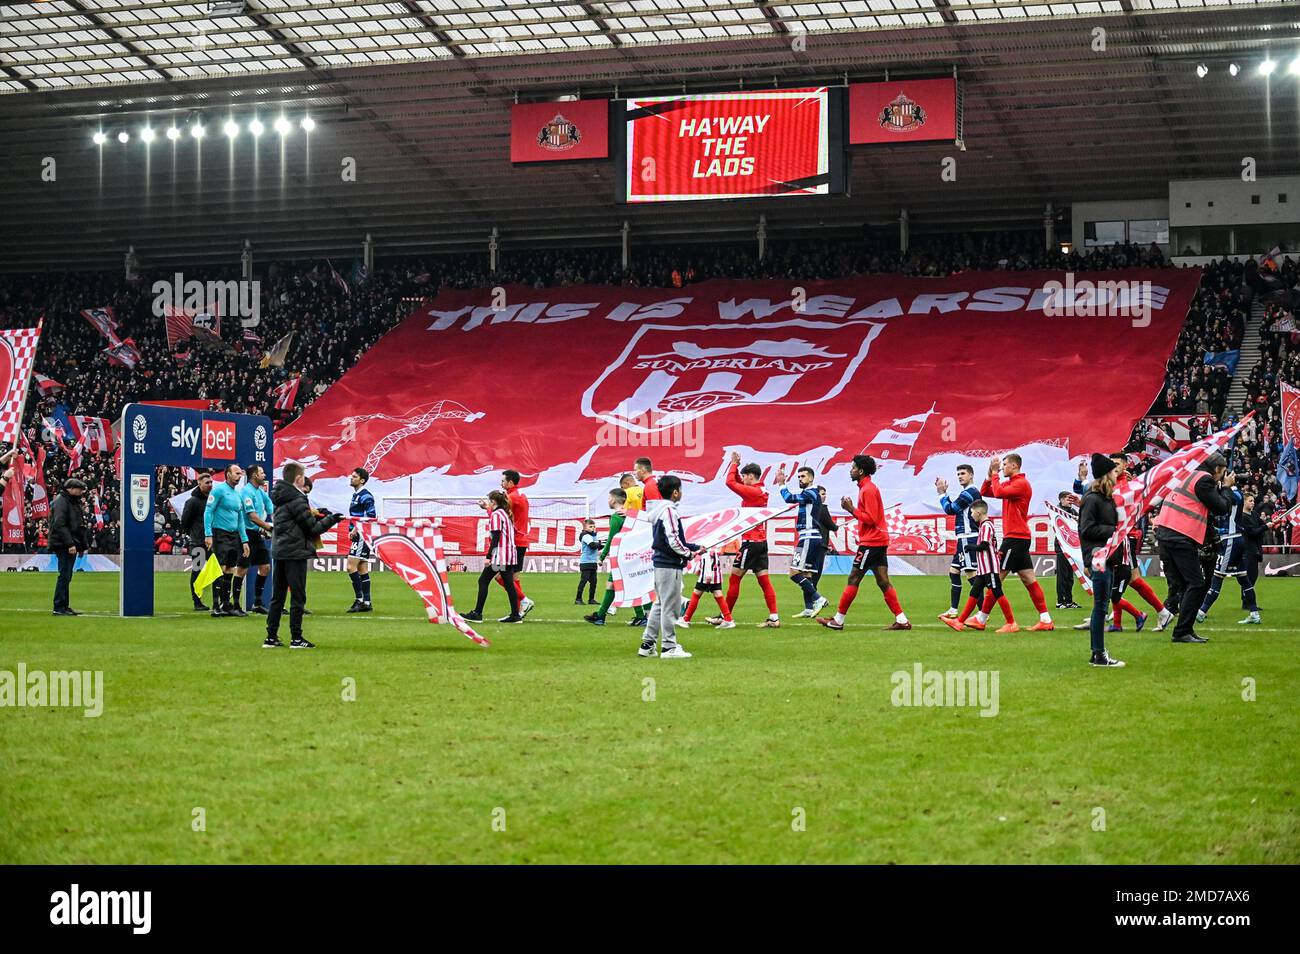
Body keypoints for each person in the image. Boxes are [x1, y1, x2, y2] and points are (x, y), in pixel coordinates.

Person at [817, 455, 911, 631]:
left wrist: (852, 509)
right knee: (883, 581)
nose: (850, 470)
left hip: (872, 542)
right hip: (878, 540)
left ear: (860, 471)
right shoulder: (866, 488)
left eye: (853, 467)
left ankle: (838, 620)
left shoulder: (868, 489)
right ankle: (902, 620)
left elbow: (872, 519)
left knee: (854, 577)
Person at [1153, 451, 1234, 644]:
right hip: (1180, 536)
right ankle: (1182, 631)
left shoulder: (1185, 474)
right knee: (1197, 584)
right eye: (1222, 472)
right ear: (1216, 469)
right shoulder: (1204, 479)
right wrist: (1227, 488)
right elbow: (1222, 508)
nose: (1222, 476)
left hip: (1165, 534)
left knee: (1182, 584)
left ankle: (1181, 626)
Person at [263, 461, 342, 649]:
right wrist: (332, 519)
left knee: (278, 596)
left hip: (280, 550)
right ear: (298, 478)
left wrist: (317, 514)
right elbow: (312, 528)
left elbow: (295, 521)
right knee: (298, 597)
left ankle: (271, 637)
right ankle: (296, 638)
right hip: (295, 552)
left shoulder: (280, 496)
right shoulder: (297, 499)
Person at [981, 453, 1054, 631]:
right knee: (1029, 579)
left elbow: (997, 491)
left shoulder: (1020, 484)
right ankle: (1045, 619)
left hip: (1014, 538)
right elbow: (986, 491)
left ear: (1014, 466)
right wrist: (990, 473)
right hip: (1018, 537)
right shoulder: (1014, 483)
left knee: (996, 578)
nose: (1002, 467)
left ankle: (983, 618)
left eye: (1004, 464)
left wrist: (995, 473)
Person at [641, 475, 700, 658]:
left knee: (660, 605)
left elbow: (672, 540)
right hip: (669, 564)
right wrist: (689, 553)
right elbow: (673, 541)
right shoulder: (669, 512)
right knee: (670, 607)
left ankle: (647, 644)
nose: (681, 493)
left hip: (661, 563)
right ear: (675, 492)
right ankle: (669, 647)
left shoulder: (660, 510)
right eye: (680, 490)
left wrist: (696, 548)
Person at [720, 452, 780, 627]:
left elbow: (730, 483)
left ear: (751, 476)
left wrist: (733, 464)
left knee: (734, 579)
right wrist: (737, 467)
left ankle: (726, 617)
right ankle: (774, 617)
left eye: (745, 476)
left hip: (751, 542)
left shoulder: (753, 492)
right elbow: (738, 483)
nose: (743, 478)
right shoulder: (759, 490)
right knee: (763, 580)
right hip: (760, 542)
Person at [1078, 454, 1126, 667]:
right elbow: (1085, 529)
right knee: (1100, 606)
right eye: (1114, 471)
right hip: (1098, 557)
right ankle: (1098, 654)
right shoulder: (1092, 499)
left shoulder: (1107, 499)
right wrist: (1113, 530)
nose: (1118, 474)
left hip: (1107, 557)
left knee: (1102, 605)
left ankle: (1098, 653)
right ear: (1107, 475)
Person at [940, 499, 1017, 632]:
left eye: (971, 513)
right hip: (983, 568)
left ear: (979, 512)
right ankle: (959, 622)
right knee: (974, 592)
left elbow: (984, 545)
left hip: (990, 567)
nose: (971, 516)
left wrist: (971, 547)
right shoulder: (984, 525)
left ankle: (1011, 623)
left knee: (998, 592)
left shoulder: (986, 525)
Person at [1196, 476, 1261, 625]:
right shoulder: (1236, 493)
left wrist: (1222, 487)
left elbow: (1221, 503)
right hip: (1236, 537)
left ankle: (1201, 612)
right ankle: (1254, 613)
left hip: (1230, 539)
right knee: (1243, 578)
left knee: (1217, 577)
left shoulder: (1232, 495)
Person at [773, 463, 829, 618]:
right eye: (798, 476)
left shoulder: (811, 492)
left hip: (808, 537)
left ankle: (819, 599)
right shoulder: (809, 494)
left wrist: (781, 484)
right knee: (807, 574)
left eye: (803, 476)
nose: (800, 479)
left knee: (793, 573)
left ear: (811, 478)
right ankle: (809, 608)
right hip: (811, 537)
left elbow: (789, 498)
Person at [462, 490, 523, 623]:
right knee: (509, 584)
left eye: (489, 501)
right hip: (509, 554)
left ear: (493, 501)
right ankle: (515, 615)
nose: (489, 503)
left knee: (483, 580)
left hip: (500, 555)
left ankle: (477, 613)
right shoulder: (504, 513)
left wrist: (489, 556)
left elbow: (496, 536)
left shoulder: (496, 515)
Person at [585, 488, 638, 627]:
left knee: (616, 586)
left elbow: (612, 539)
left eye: (609, 498)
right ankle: (601, 615)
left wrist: (602, 556)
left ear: (614, 500)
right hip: (630, 554)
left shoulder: (616, 517)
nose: (608, 500)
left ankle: (601, 616)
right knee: (614, 585)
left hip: (620, 556)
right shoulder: (631, 516)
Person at [204, 463, 250, 618]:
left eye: (240, 474)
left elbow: (240, 519)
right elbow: (208, 511)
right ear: (228, 474)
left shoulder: (238, 494)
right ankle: (216, 605)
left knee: (230, 568)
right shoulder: (218, 490)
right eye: (236, 473)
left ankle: (227, 604)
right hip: (220, 534)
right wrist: (208, 533)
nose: (239, 476)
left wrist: (244, 540)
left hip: (233, 535)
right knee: (221, 568)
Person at [937, 464, 982, 618]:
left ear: (971, 475)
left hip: (968, 536)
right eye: (958, 474)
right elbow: (954, 507)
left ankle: (983, 612)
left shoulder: (970, 493)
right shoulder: (967, 492)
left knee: (970, 573)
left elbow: (950, 509)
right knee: (954, 572)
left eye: (963, 473)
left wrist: (942, 493)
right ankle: (953, 609)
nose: (960, 476)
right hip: (963, 537)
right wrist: (944, 493)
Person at [236, 464, 274, 614]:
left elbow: (269, 504)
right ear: (254, 476)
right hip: (246, 534)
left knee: (265, 567)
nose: (264, 475)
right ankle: (235, 604)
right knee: (242, 568)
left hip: (257, 534)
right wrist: (269, 527)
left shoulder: (260, 491)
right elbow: (252, 517)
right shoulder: (246, 492)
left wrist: (275, 518)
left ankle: (257, 603)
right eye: (262, 473)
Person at [48, 477, 89, 617]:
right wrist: (70, 544)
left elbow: (79, 526)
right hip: (63, 544)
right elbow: (60, 524)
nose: (81, 492)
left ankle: (63, 605)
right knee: (64, 575)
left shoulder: (71, 502)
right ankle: (59, 606)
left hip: (68, 543)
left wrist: (82, 546)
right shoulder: (62, 502)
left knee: (67, 575)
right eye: (79, 489)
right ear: (70, 489)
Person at [500, 470, 534, 617]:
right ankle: (518, 612)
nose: (501, 483)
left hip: (512, 542)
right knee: (514, 577)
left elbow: (499, 515)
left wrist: (488, 508)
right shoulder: (522, 495)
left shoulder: (511, 497)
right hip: (521, 541)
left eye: (503, 481)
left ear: (510, 483)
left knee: (499, 574)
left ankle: (524, 601)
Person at [679, 545, 735, 629]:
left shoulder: (707, 548)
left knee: (696, 595)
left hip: (706, 576)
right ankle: (728, 619)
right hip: (716, 576)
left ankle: (686, 619)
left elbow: (707, 559)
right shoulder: (715, 548)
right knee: (718, 595)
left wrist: (707, 574)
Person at [345, 466, 376, 613]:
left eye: (355, 477)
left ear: (362, 480)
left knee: (350, 567)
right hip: (358, 535)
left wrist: (356, 529)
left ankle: (360, 599)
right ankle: (367, 602)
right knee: (362, 568)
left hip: (362, 535)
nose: (351, 478)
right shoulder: (355, 495)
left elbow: (371, 516)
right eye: (351, 476)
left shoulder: (366, 495)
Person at [181, 472, 213, 611]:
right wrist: (194, 535)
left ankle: (218, 600)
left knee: (217, 570)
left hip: (212, 542)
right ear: (199, 484)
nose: (210, 485)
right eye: (207, 482)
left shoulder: (212, 500)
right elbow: (185, 522)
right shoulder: (192, 502)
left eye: (211, 482)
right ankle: (197, 601)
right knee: (197, 571)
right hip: (198, 543)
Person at [1238, 493, 1265, 624]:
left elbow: (1260, 524)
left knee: (1253, 576)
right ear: (1244, 502)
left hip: (1254, 549)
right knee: (1248, 576)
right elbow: (1253, 531)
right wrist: (1266, 527)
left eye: (1253, 501)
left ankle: (1248, 600)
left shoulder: (1253, 514)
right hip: (1247, 550)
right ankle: (1246, 601)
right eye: (1250, 501)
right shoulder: (1242, 517)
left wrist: (1268, 522)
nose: (1252, 503)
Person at [1053, 490, 1082, 609]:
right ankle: (1060, 601)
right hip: (1062, 547)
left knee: (1070, 576)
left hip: (1071, 547)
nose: (1069, 501)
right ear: (1061, 500)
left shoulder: (1072, 510)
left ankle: (1069, 601)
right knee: (1062, 576)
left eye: (1070, 498)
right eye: (1067, 498)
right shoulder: (1056, 511)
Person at [576, 518, 599, 604]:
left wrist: (603, 544)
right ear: (585, 528)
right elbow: (593, 545)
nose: (593, 528)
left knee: (594, 582)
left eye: (594, 526)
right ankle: (578, 599)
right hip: (586, 562)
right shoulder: (585, 536)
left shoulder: (594, 536)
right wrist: (601, 543)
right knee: (584, 580)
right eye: (590, 526)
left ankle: (591, 599)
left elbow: (598, 546)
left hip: (593, 562)